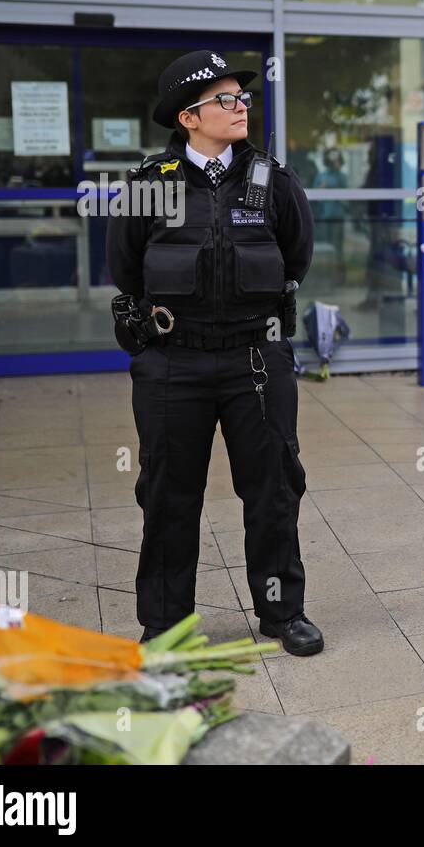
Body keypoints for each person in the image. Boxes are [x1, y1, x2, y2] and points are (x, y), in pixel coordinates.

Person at [106, 49, 323, 655]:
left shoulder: (273, 180)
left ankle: (283, 613)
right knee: (170, 492)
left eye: (243, 99)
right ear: (188, 117)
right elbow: (124, 268)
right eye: (225, 101)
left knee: (275, 486)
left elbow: (295, 256)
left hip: (257, 358)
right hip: (173, 361)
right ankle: (166, 622)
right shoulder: (150, 185)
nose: (240, 108)